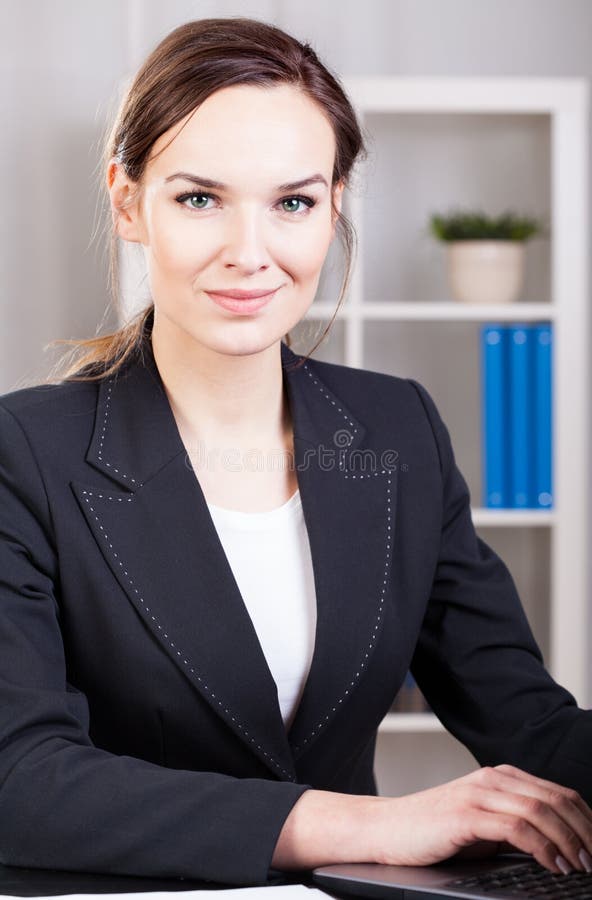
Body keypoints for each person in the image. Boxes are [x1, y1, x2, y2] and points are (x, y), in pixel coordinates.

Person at [0, 16, 591, 890]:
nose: (251, 254)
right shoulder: (26, 452)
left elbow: (526, 719)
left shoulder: (398, 429)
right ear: (129, 201)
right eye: (200, 198)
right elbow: (20, 779)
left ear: (334, 204)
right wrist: (375, 823)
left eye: (293, 202)